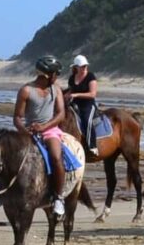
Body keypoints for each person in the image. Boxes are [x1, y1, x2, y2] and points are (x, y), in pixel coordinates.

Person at [14, 55, 72, 217]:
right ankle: (1, 192)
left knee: (55, 156)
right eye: (56, 74)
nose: (57, 77)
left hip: (50, 130)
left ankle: (58, 197)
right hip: (29, 130)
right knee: (9, 154)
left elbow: (60, 115)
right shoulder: (26, 90)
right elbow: (17, 118)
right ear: (48, 75)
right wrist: (26, 132)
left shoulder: (56, 89)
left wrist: (44, 127)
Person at [63, 54, 100, 147]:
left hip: (88, 105)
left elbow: (92, 94)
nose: (84, 68)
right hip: (74, 104)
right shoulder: (72, 78)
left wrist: (76, 95)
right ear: (76, 67)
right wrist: (64, 96)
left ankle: (92, 145)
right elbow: (70, 91)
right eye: (82, 66)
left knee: (87, 120)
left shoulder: (90, 77)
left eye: (85, 66)